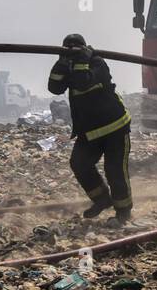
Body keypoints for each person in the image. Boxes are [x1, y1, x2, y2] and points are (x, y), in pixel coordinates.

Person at [47, 34, 132, 221]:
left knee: (115, 170)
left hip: (114, 128)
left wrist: (83, 59)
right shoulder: (70, 66)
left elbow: (82, 82)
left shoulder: (97, 63)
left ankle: (123, 212)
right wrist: (62, 62)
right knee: (79, 163)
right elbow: (54, 87)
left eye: (74, 49)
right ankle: (102, 200)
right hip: (90, 132)